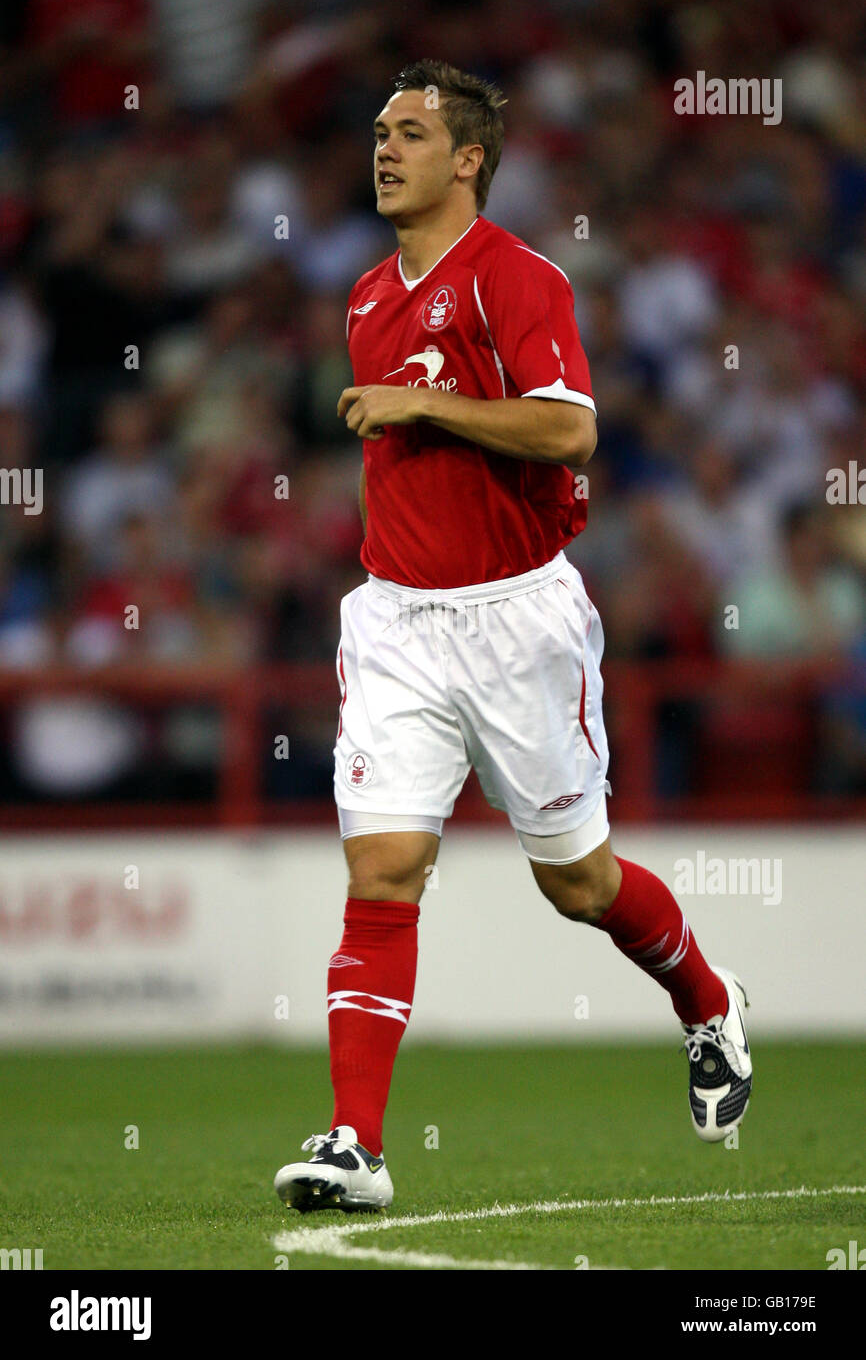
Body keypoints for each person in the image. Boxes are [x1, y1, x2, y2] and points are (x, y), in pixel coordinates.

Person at [275, 61, 751, 1215]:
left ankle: (704, 1000)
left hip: (516, 619)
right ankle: (356, 1143)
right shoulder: (362, 297)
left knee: (578, 884)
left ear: (468, 159)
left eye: (410, 132)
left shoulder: (517, 279)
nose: (383, 149)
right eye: (378, 131)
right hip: (395, 617)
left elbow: (569, 431)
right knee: (383, 870)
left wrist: (421, 401)